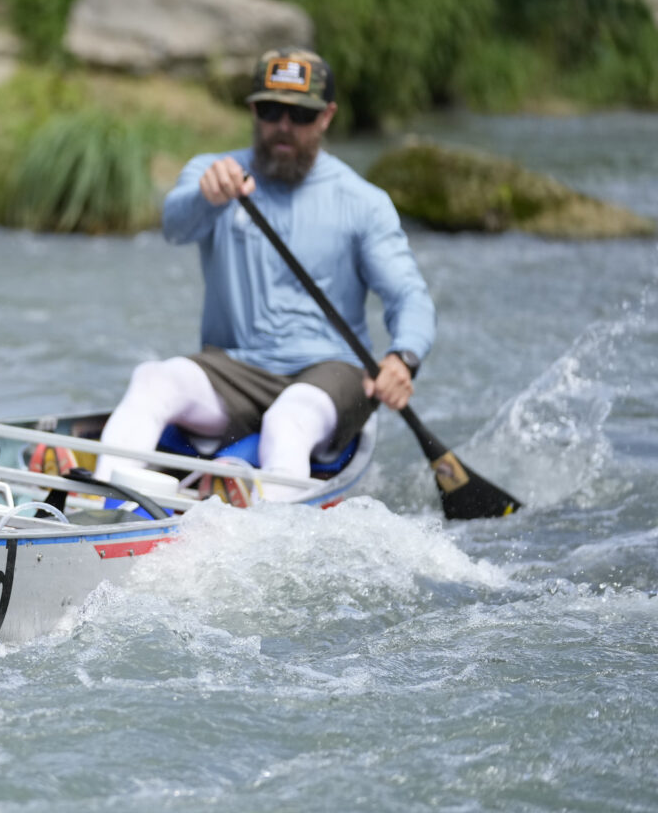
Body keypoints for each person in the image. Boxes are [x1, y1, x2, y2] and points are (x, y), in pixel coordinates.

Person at [93, 47, 435, 502]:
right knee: (153, 379)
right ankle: (99, 509)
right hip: (235, 367)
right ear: (254, 111)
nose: (284, 126)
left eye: (300, 114)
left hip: (333, 370)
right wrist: (206, 197)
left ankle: (270, 532)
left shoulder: (364, 202)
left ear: (327, 117)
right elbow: (175, 226)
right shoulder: (213, 174)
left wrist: (402, 358)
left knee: (287, 420)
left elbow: (409, 295)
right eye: (271, 111)